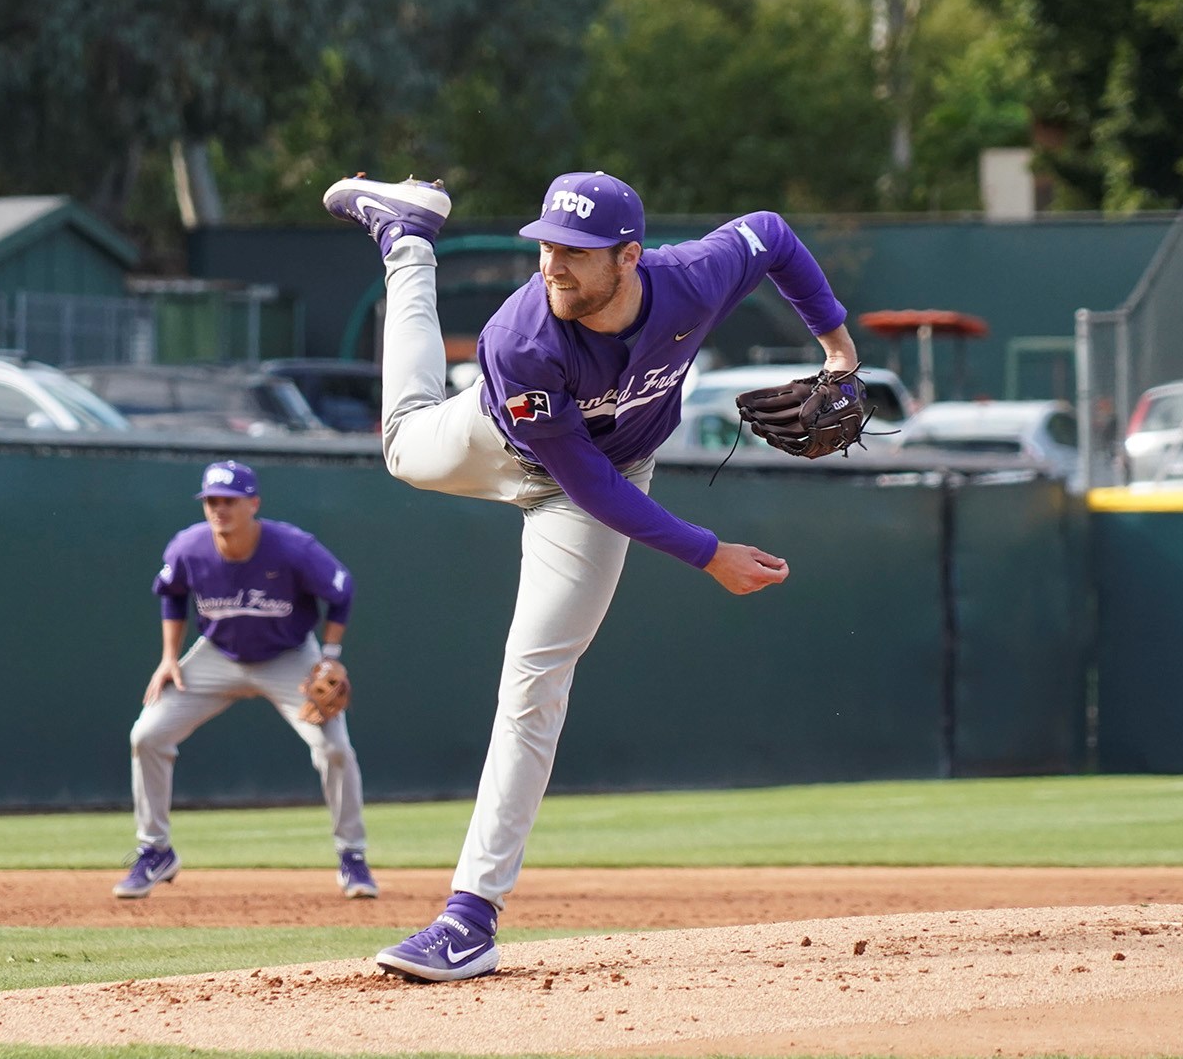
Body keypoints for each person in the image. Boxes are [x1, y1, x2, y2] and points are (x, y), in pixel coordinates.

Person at [322, 171, 862, 981]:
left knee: (535, 679)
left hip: (613, 472)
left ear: (629, 256)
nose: (553, 264)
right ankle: (406, 241)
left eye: (574, 251)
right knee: (401, 444)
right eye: (546, 246)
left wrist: (839, 349)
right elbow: (585, 483)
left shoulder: (693, 280)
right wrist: (708, 552)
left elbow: (773, 234)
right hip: (507, 447)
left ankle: (469, 916)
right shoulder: (522, 339)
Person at [115, 459, 376, 901]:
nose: (219, 509)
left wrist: (330, 656)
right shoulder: (189, 547)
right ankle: (155, 850)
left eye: (230, 500)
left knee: (334, 749)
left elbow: (341, 590)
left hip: (289, 658)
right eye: (212, 501)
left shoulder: (292, 547)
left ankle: (352, 855)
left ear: (253, 504)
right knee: (147, 735)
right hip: (217, 655)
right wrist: (168, 658)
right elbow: (172, 595)